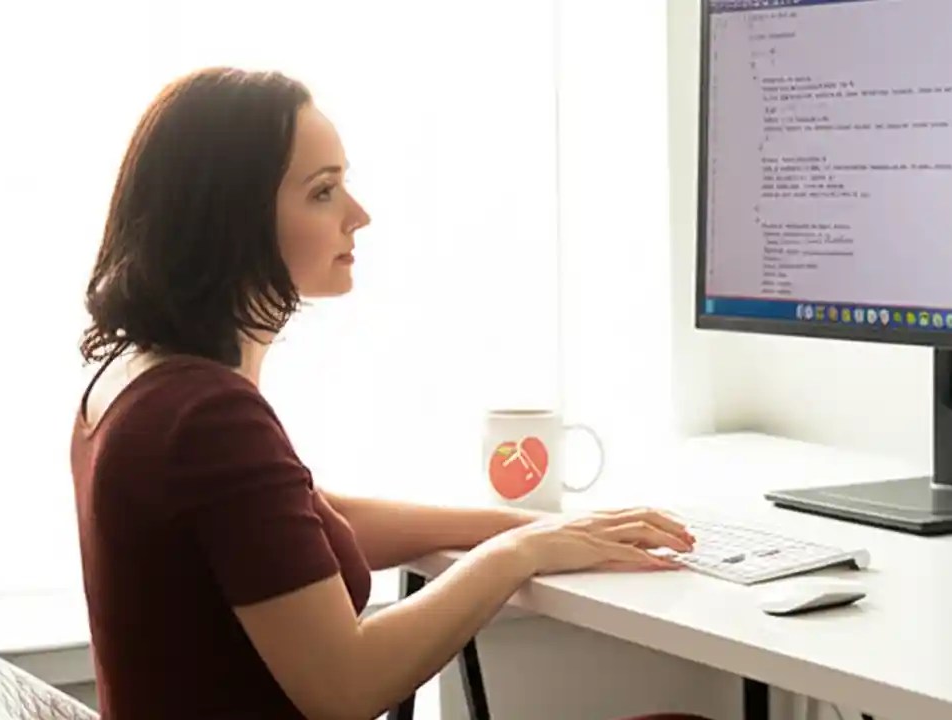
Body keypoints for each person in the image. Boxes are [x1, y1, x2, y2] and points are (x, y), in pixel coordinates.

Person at [71, 67, 709, 720]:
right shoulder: (207, 418)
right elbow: (347, 687)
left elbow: (300, 519)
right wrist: (522, 552)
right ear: (233, 220)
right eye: (323, 192)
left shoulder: (130, 383)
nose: (359, 215)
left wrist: (540, 524)